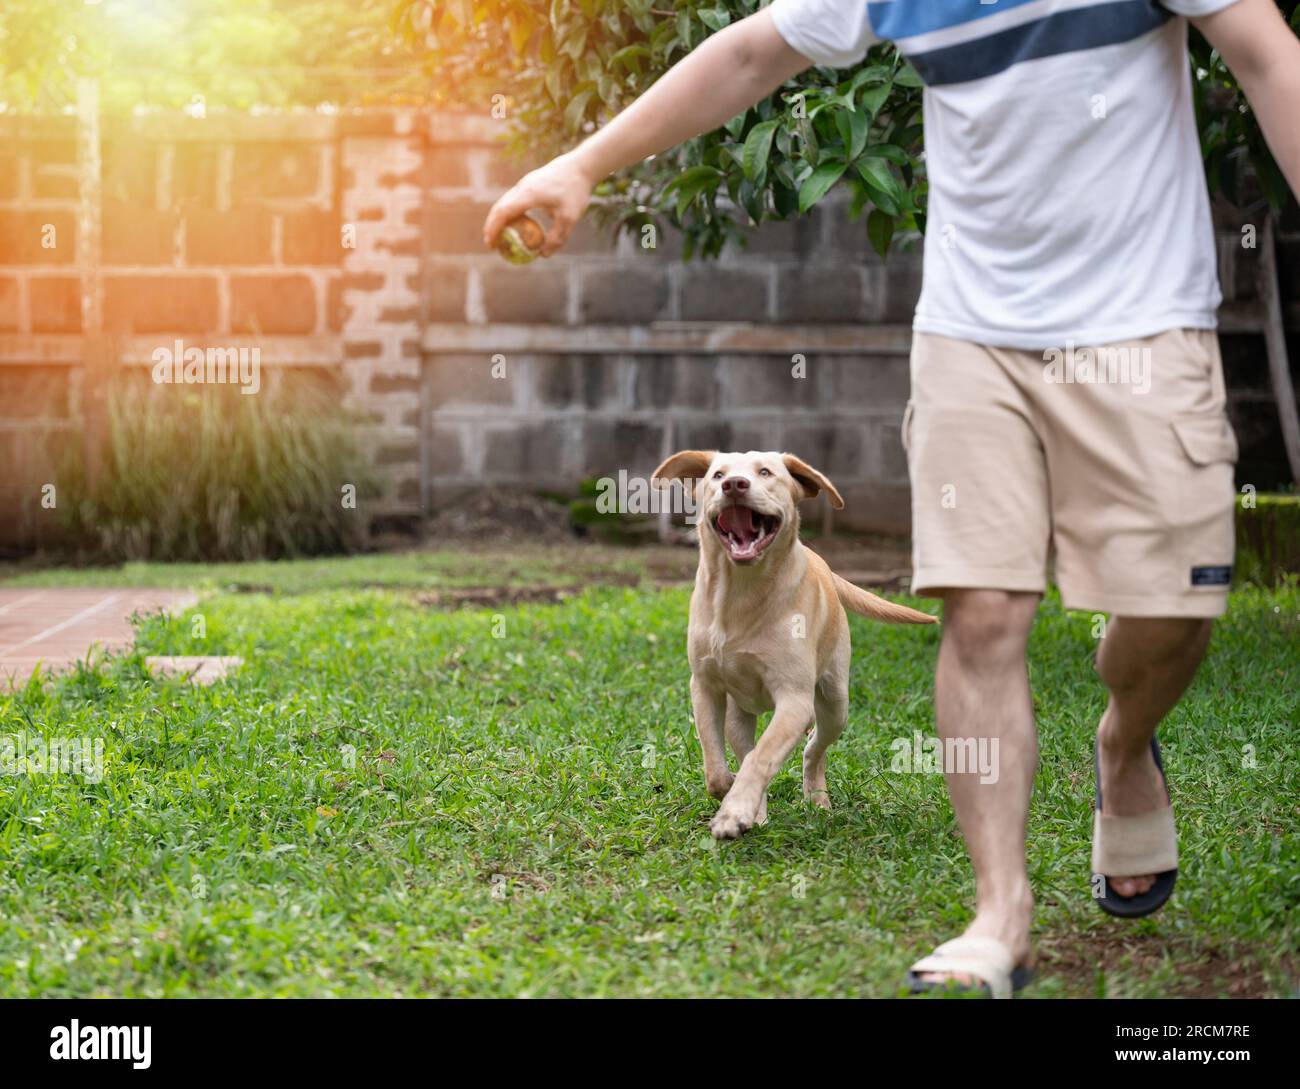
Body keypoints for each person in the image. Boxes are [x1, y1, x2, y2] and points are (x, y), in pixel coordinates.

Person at [483, 0, 1300, 997]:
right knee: (983, 612)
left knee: (1173, 610)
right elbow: (749, 52)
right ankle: (999, 915)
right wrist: (583, 164)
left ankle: (1122, 739)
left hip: (1144, 324)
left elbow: (1264, 54)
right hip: (970, 329)